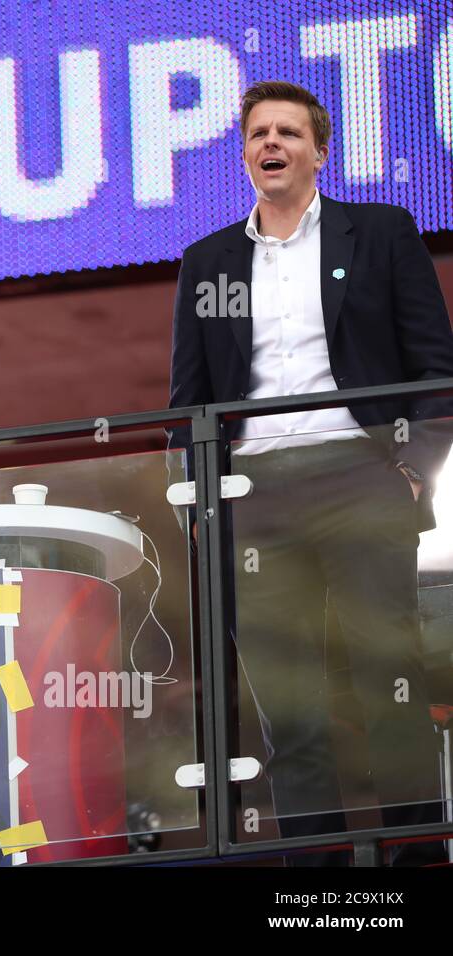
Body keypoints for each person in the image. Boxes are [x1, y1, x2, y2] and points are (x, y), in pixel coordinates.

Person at [168, 81, 453, 865]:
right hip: (250, 495)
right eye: (259, 132)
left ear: (319, 151)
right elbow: (186, 405)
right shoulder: (209, 262)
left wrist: (413, 472)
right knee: (289, 712)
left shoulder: (383, 233)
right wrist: (202, 509)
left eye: (289, 132)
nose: (272, 144)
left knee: (387, 681)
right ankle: (317, 885)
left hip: (360, 473)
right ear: (246, 153)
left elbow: (436, 369)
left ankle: (414, 865)